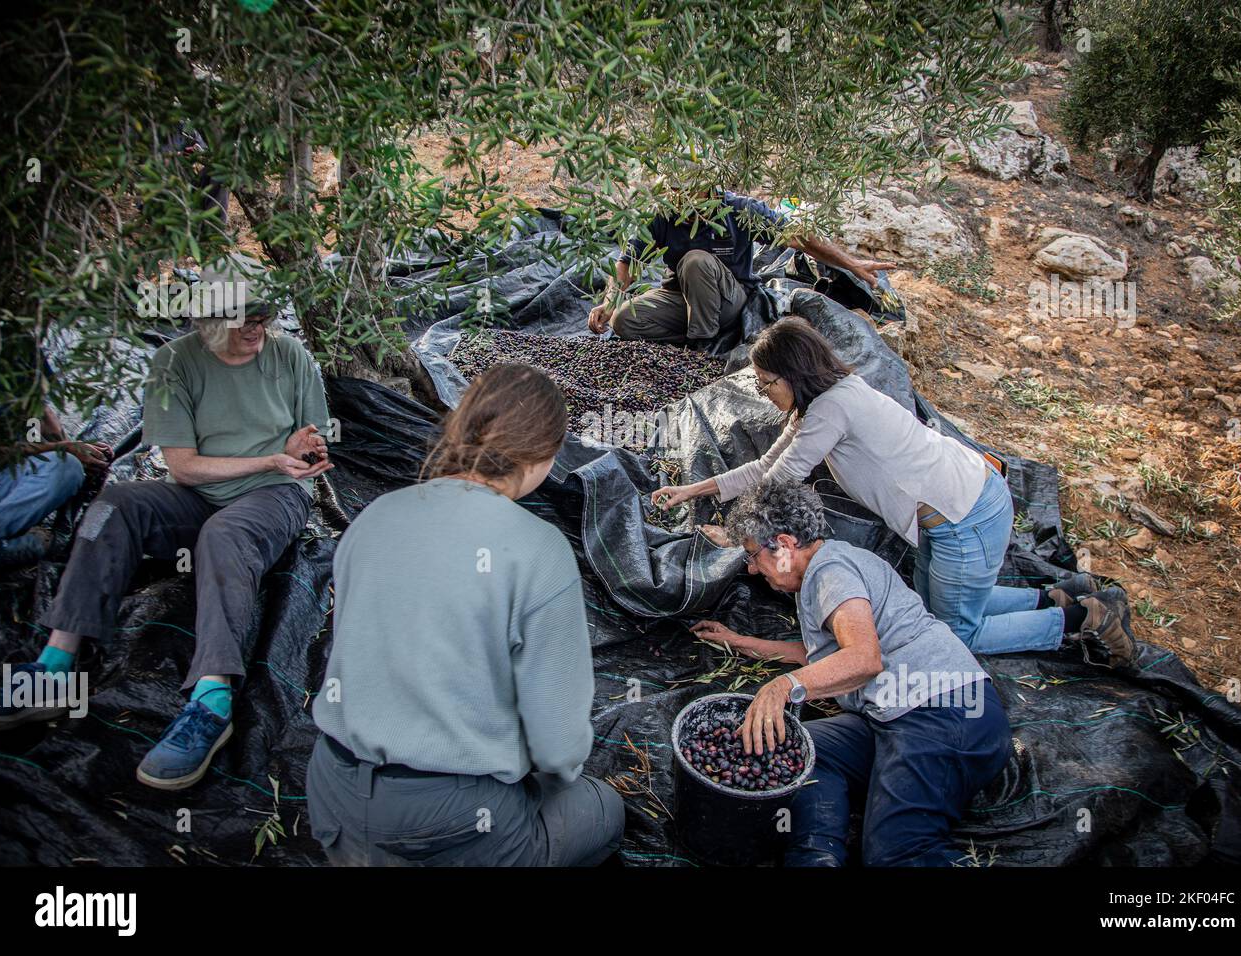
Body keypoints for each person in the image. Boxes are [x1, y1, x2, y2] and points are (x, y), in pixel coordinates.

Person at [0, 257, 334, 795]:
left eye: (262, 318)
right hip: (202, 490)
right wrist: (270, 455)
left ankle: (211, 699)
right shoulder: (173, 362)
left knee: (225, 535)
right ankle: (55, 664)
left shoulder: (291, 356)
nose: (255, 329)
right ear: (207, 321)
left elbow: (313, 440)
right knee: (114, 505)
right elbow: (184, 467)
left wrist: (306, 449)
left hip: (275, 495)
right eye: (241, 319)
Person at [656, 317, 1137, 666]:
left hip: (965, 516)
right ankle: (1059, 598)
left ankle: (1083, 620)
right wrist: (691, 490)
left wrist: (736, 534)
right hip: (957, 509)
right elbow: (765, 466)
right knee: (936, 609)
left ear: (793, 373)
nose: (764, 394)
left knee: (956, 635)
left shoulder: (833, 408)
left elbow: (779, 481)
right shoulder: (822, 405)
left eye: (767, 384)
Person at [307, 363, 625, 867]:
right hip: (451, 818)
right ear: (543, 454)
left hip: (334, 793)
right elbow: (559, 748)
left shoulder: (374, 516)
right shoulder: (538, 549)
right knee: (602, 810)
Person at [695, 477, 1012, 866]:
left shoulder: (831, 571)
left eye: (752, 555)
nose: (752, 569)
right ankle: (816, 856)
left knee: (895, 854)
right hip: (896, 716)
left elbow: (863, 659)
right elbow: (826, 658)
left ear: (784, 545)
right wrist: (740, 640)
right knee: (807, 750)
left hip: (944, 711)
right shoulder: (825, 570)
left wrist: (782, 687)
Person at [586, 187, 894, 346]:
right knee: (626, 322)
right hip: (682, 296)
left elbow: (800, 238)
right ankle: (695, 334)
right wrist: (609, 304)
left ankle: (703, 344)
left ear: (710, 189)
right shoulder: (663, 215)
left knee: (696, 261)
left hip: (730, 301)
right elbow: (628, 264)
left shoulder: (740, 209)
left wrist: (852, 264)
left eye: (690, 193)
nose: (682, 200)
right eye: (676, 193)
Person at [0, 404, 110, 573]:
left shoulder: (26, 394)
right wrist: (62, 447)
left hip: (0, 474)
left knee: (67, 466)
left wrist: (76, 450)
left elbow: (35, 422)